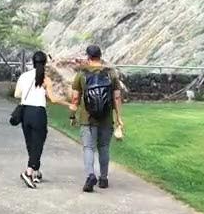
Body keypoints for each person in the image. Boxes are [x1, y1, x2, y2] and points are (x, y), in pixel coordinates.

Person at [68, 45, 124, 193]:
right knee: (104, 148)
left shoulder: (81, 74)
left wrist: (72, 115)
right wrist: (119, 117)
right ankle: (104, 178)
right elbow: (117, 97)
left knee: (88, 148)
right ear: (100, 55)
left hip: (88, 118)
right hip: (106, 118)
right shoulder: (111, 74)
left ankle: (90, 175)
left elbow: (75, 98)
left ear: (88, 57)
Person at [14, 51, 61, 189]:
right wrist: (67, 102)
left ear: (32, 62)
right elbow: (52, 99)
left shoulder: (24, 76)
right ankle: (28, 172)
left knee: (31, 143)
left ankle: (35, 171)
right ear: (45, 63)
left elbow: (17, 94)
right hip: (39, 112)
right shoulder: (45, 79)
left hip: (25, 112)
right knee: (38, 143)